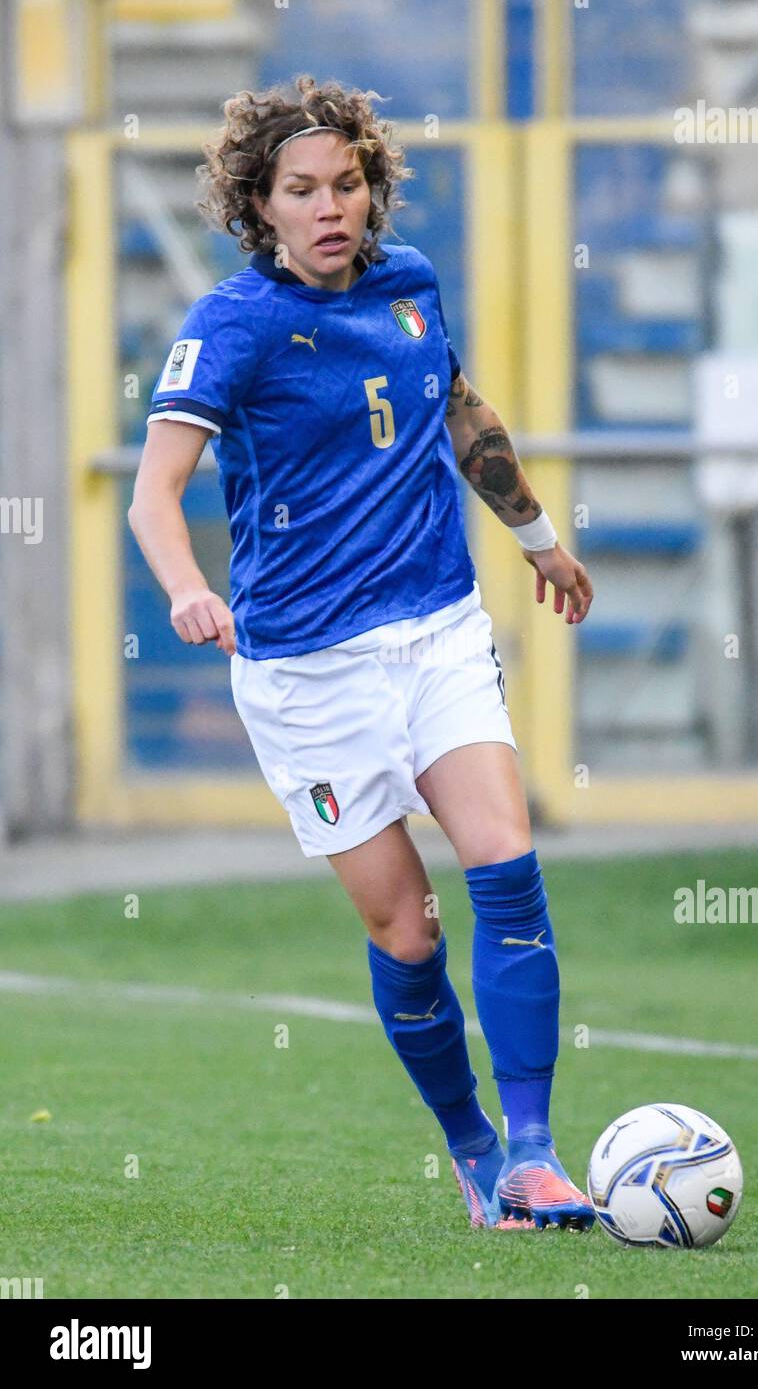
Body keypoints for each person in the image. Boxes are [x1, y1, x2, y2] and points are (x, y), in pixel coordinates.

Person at [128, 75, 595, 1231]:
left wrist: (535, 538)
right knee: (407, 927)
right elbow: (152, 496)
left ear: (371, 189)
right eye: (301, 190)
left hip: (435, 627)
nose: (329, 207)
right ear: (260, 205)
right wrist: (189, 589)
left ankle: (536, 1150)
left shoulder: (410, 288)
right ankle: (474, 1148)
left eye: (346, 184)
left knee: (505, 859)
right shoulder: (231, 324)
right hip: (306, 671)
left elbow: (460, 413)